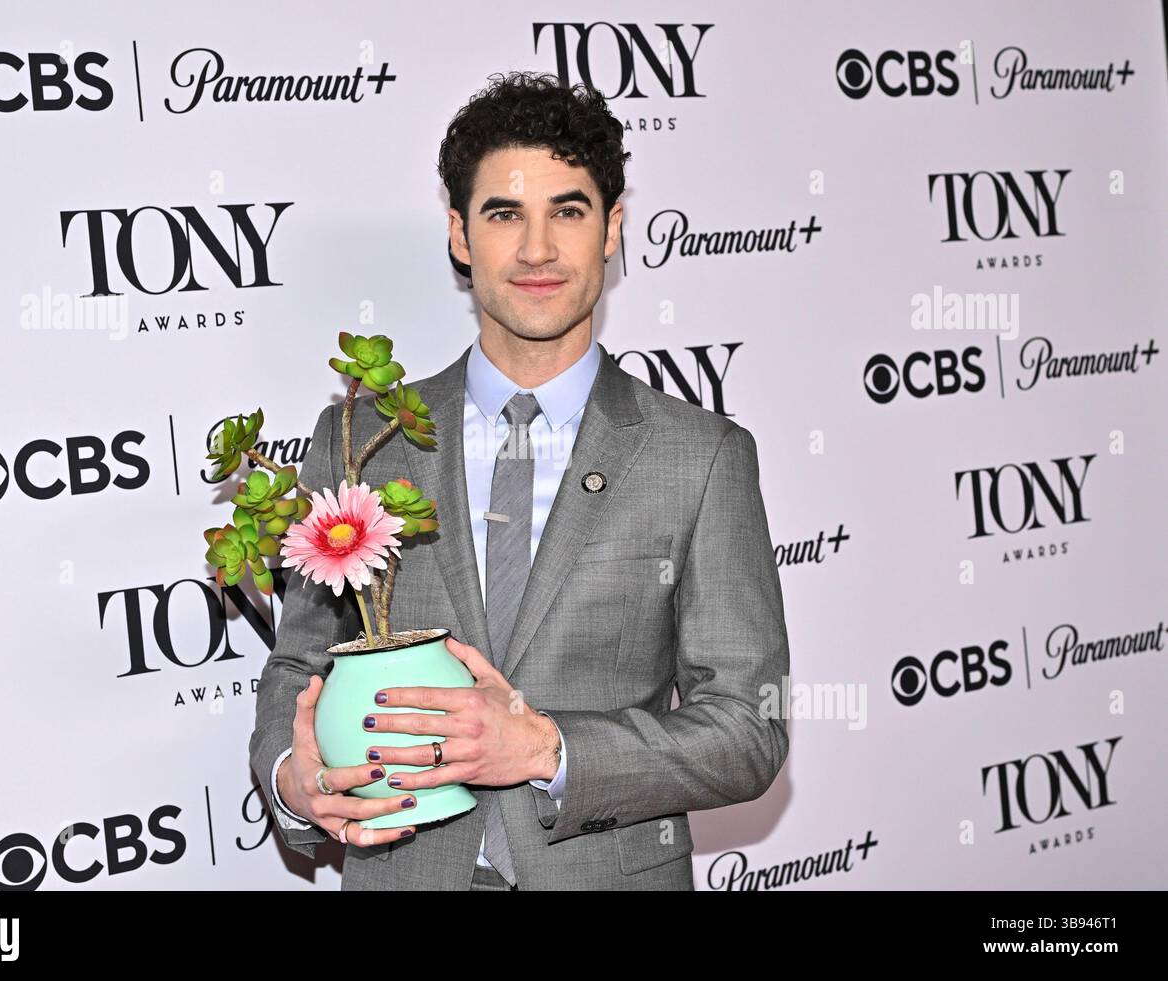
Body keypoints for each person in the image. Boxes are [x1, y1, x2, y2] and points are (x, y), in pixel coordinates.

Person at [250, 71, 789, 890]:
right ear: (462, 236)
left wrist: (545, 746)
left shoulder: (702, 456)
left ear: (611, 229)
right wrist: (294, 778)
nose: (537, 250)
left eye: (567, 211)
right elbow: (299, 663)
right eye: (505, 214)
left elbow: (750, 729)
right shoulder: (364, 441)